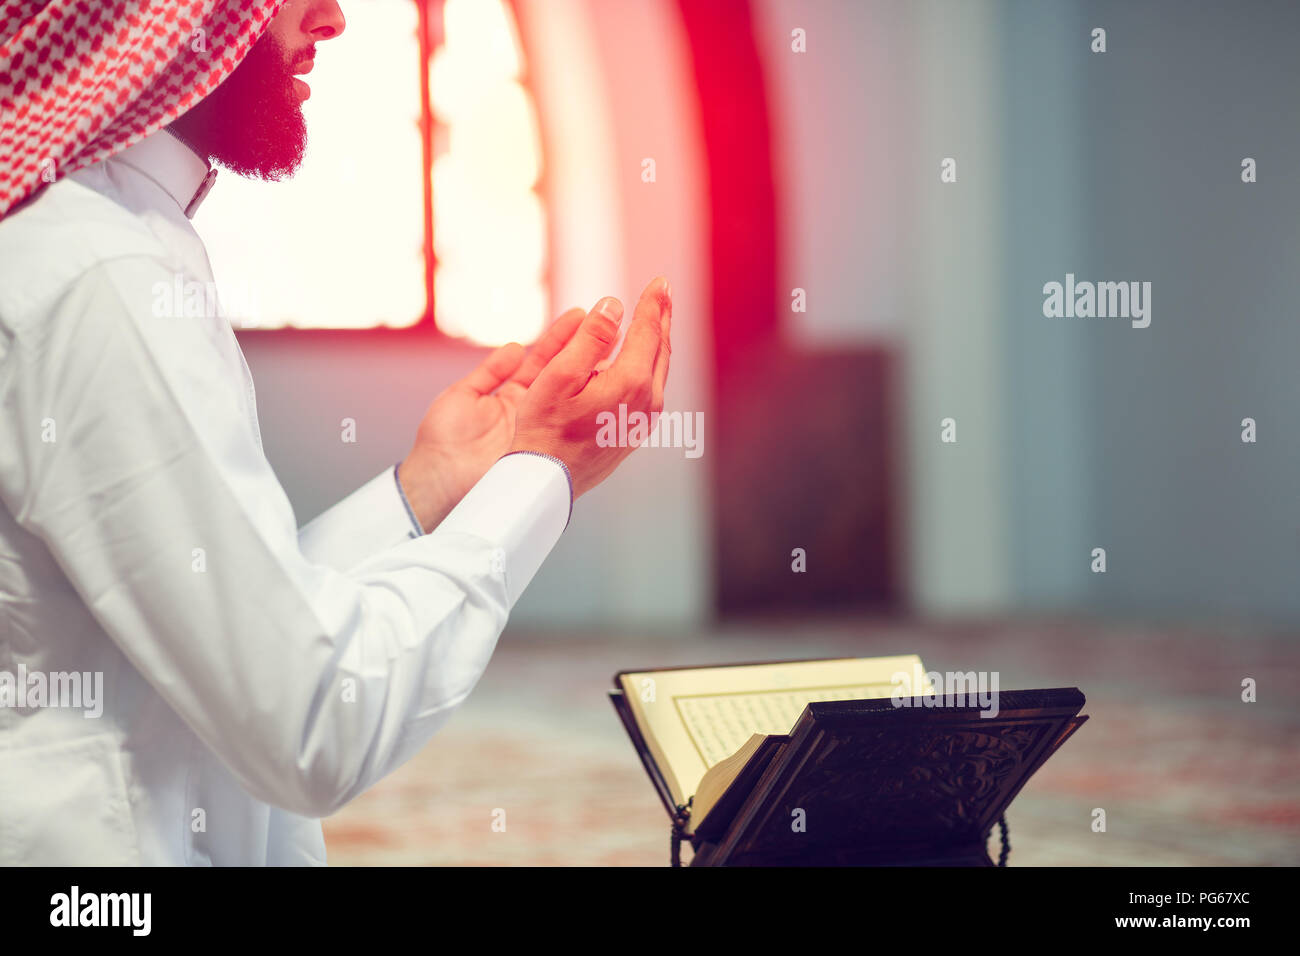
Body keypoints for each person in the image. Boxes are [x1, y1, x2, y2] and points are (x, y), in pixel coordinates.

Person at [0, 0, 671, 864]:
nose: (331, 17)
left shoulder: (83, 239)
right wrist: (538, 477)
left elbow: (226, 622)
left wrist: (431, 487)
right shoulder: (105, 275)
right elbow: (311, 718)